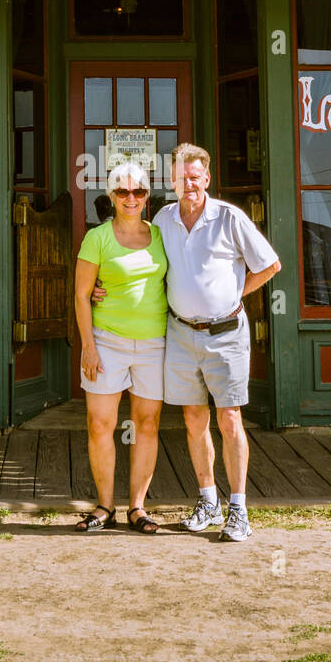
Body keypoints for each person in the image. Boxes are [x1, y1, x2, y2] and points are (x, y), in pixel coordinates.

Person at [152, 143, 281, 543]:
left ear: (207, 179)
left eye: (195, 177)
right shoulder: (162, 218)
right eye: (181, 177)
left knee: (229, 419)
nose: (188, 184)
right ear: (172, 180)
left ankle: (239, 508)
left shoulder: (229, 217)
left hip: (225, 335)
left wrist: (234, 296)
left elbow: (270, 264)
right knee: (193, 419)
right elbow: (147, 265)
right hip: (180, 332)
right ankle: (209, 500)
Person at [73, 160, 168, 534]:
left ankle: (138, 508)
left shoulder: (161, 235)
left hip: (153, 343)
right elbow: (82, 296)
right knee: (100, 424)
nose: (131, 198)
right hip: (107, 341)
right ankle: (105, 506)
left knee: (147, 424)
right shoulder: (97, 238)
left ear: (147, 196)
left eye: (139, 191)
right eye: (123, 191)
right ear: (111, 196)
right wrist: (89, 347)